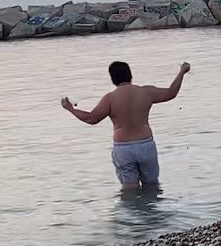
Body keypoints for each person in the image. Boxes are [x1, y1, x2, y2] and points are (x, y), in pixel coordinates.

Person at [61, 60, 191, 190]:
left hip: (123, 148)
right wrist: (182, 72)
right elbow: (171, 93)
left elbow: (91, 119)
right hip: (145, 145)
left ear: (113, 79)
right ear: (130, 75)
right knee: (152, 186)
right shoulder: (145, 92)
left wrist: (70, 109)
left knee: (129, 189)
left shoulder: (110, 98)